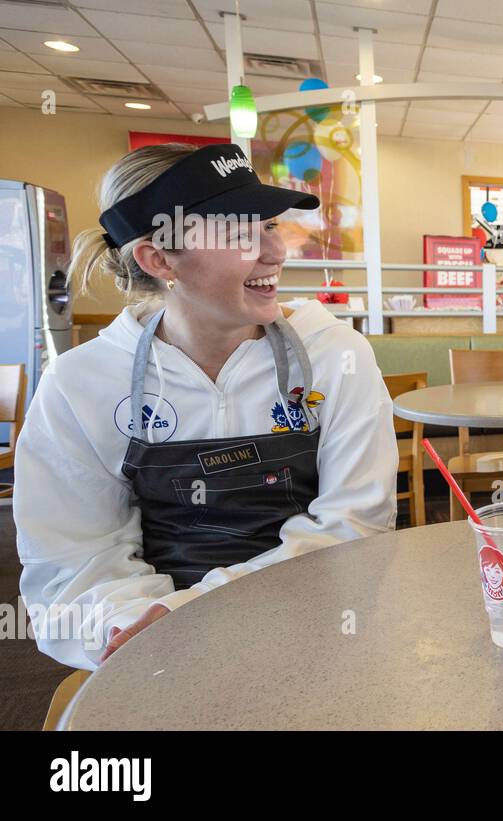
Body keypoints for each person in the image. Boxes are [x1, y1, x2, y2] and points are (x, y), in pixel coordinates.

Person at [15, 143, 397, 670]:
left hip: (317, 632)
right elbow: (71, 560)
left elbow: (355, 524)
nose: (275, 251)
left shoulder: (335, 356)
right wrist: (139, 627)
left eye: (269, 226)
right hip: (155, 652)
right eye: (240, 233)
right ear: (157, 258)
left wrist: (197, 608)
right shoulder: (79, 384)